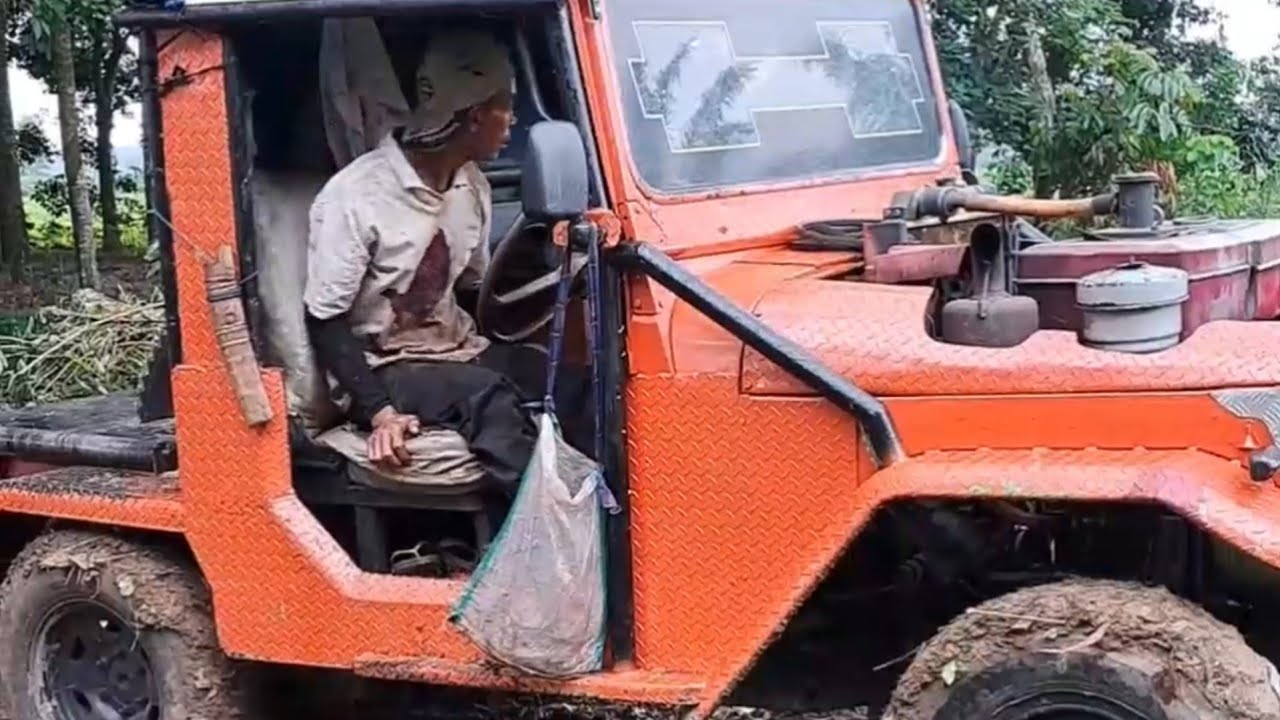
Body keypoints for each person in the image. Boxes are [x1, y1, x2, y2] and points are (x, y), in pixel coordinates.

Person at [303, 30, 545, 493]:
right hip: (381, 367)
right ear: (475, 117)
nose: (513, 122)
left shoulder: (471, 185)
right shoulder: (356, 196)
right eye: (506, 108)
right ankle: (527, 545)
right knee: (489, 400)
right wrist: (380, 412)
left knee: (574, 384)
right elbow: (323, 317)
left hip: (454, 349)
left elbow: (473, 289)